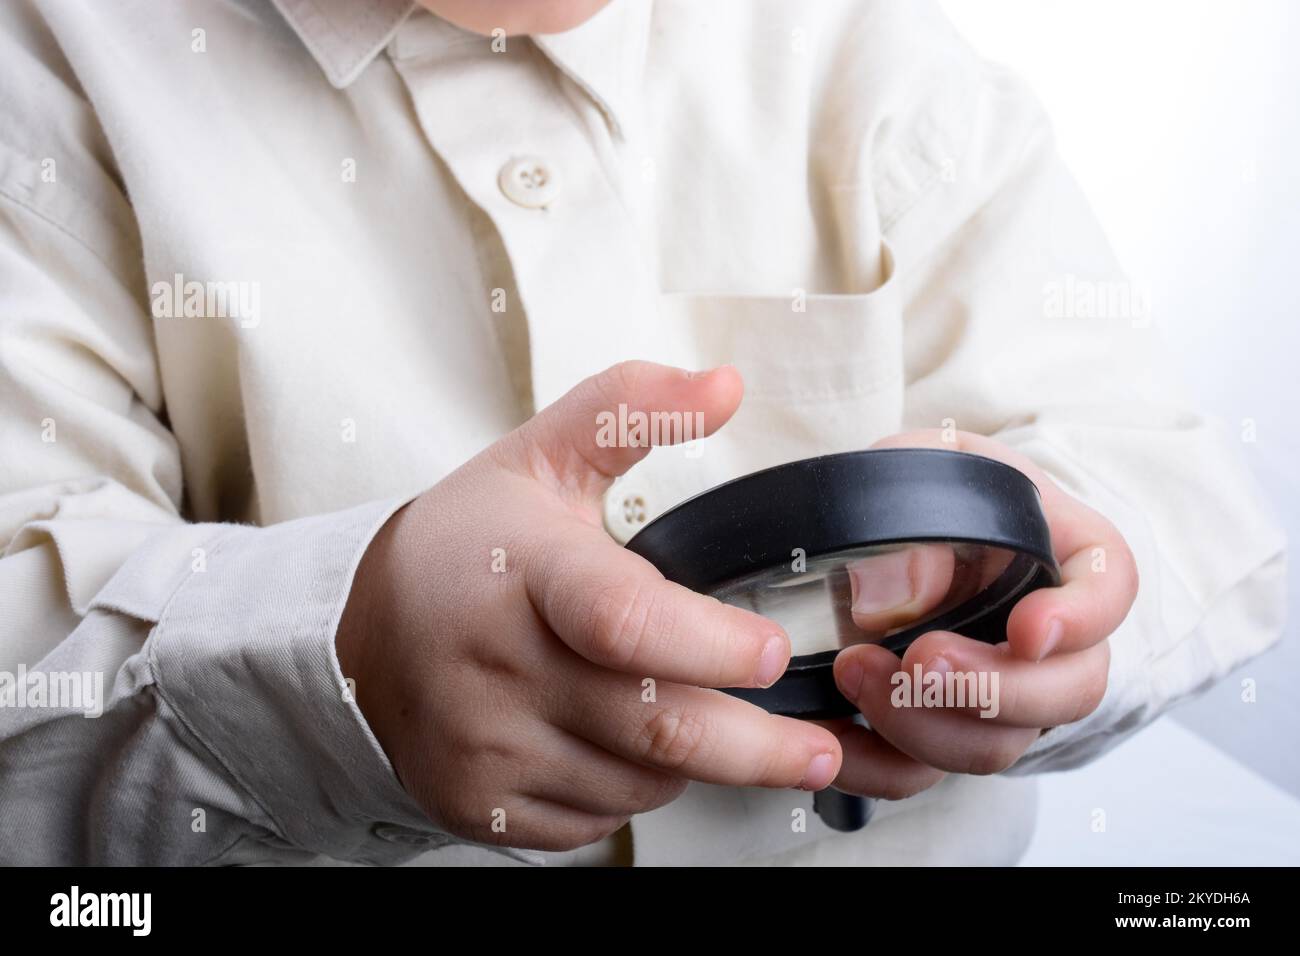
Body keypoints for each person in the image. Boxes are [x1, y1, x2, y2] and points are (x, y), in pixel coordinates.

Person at [0, 0, 1284, 866]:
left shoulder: (870, 53)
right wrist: (338, 671)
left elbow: (1171, 488)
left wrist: (1069, 599)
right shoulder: (51, 73)